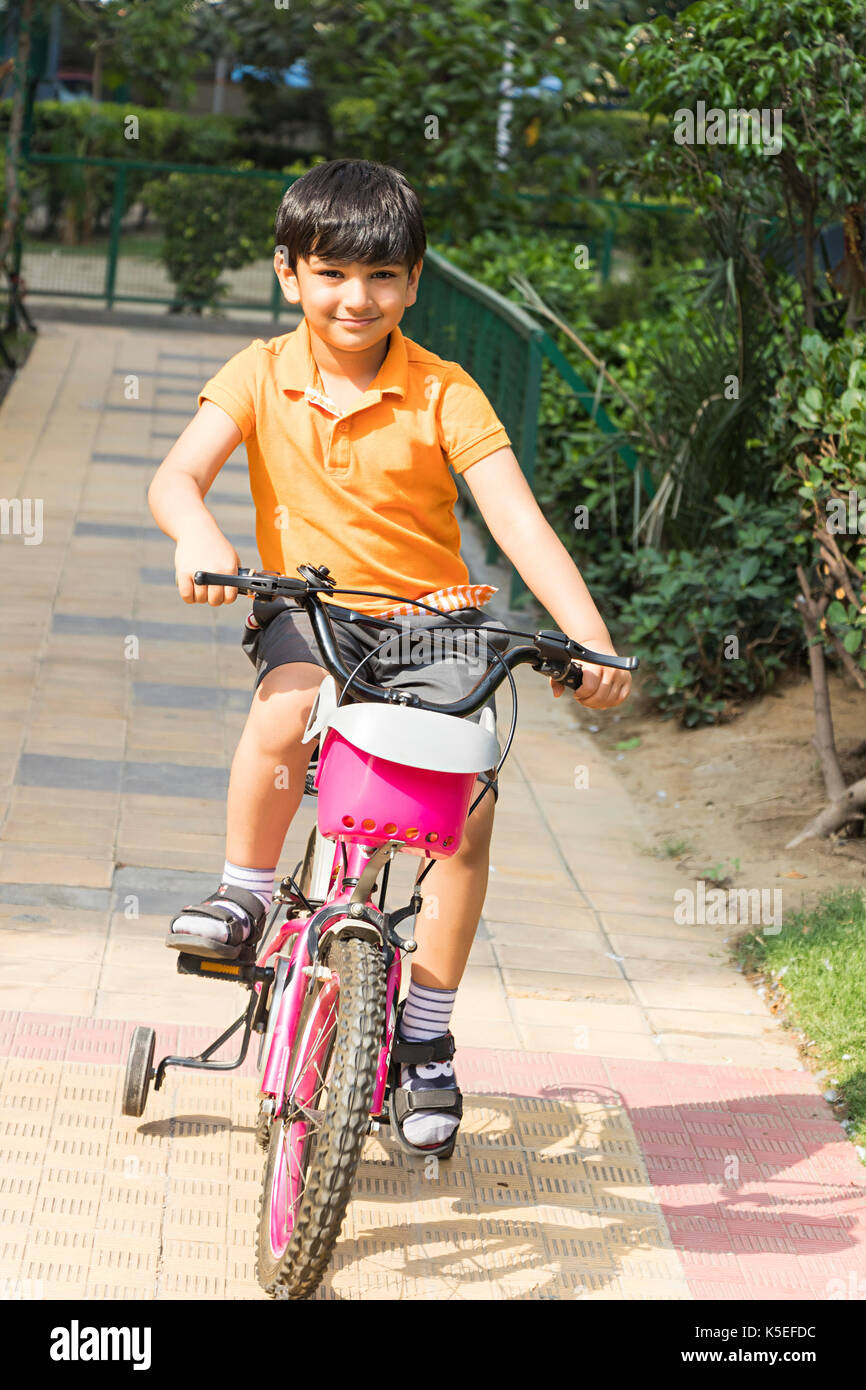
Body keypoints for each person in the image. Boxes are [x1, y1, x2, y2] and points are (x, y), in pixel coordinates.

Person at [147, 158, 631, 1157]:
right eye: (329, 274)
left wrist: (589, 637)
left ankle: (425, 1033)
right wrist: (197, 535)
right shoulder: (255, 373)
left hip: (428, 624)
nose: (353, 298)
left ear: (412, 283)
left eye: (379, 277)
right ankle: (242, 889)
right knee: (286, 706)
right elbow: (177, 477)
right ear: (289, 274)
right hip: (313, 611)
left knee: (467, 809)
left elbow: (520, 523)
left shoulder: (443, 391)